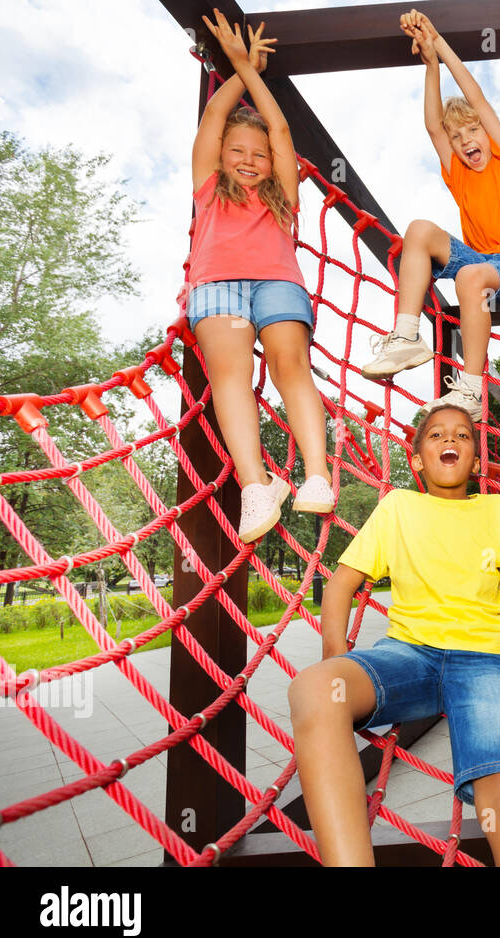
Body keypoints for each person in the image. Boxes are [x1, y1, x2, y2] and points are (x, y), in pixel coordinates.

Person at [288, 404, 500, 866]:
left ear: (476, 461)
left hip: (482, 663)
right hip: (410, 657)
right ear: (416, 460)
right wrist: (335, 657)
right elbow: (341, 586)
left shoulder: (497, 510)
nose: (449, 440)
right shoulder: (398, 506)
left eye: (462, 435)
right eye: (435, 436)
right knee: (315, 690)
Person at [188, 11, 333, 543]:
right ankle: (256, 487)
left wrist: (252, 72)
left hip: (277, 283)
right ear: (221, 157)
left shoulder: (282, 200)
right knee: (230, 378)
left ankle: (316, 474)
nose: (249, 160)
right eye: (237, 152)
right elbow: (211, 123)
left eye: (259, 155)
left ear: (273, 163)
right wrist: (238, 69)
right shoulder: (207, 185)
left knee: (290, 367)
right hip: (218, 284)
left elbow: (280, 128)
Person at [361, 10, 500, 423]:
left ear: (489, 132)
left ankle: (471, 389)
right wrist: (428, 67)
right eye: (457, 137)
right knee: (419, 231)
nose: (465, 141)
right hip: (483, 266)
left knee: (470, 276)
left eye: (472, 131)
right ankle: (406, 335)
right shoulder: (458, 172)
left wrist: (438, 46)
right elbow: (433, 127)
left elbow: (474, 96)